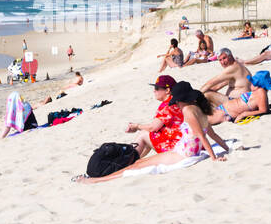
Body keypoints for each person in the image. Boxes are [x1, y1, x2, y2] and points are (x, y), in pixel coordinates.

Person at [75, 81, 226, 182]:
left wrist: (213, 158)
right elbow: (212, 135)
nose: (176, 105)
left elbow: (201, 135)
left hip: (182, 154)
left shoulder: (188, 111)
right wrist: (225, 147)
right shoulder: (200, 110)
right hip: (182, 151)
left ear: (182, 100)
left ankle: (95, 180)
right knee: (139, 163)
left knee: (136, 167)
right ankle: (96, 178)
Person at [123, 74, 185, 159]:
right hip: (184, 141)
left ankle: (127, 160)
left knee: (144, 134)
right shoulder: (176, 101)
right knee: (150, 135)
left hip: (177, 147)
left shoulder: (167, 106)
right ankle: (133, 159)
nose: (154, 91)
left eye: (157, 88)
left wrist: (136, 126)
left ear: (167, 90)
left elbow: (153, 128)